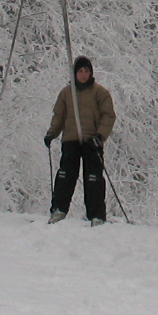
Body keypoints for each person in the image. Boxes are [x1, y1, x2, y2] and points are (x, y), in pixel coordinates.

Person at [45, 55, 116, 224]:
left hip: (92, 141)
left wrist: (99, 136)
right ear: (75, 73)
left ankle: (96, 214)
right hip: (71, 139)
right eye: (80, 71)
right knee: (65, 176)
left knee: (93, 178)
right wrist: (51, 134)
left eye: (86, 71)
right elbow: (59, 116)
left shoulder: (100, 92)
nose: (83, 74)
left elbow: (108, 116)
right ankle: (59, 210)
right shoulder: (66, 93)